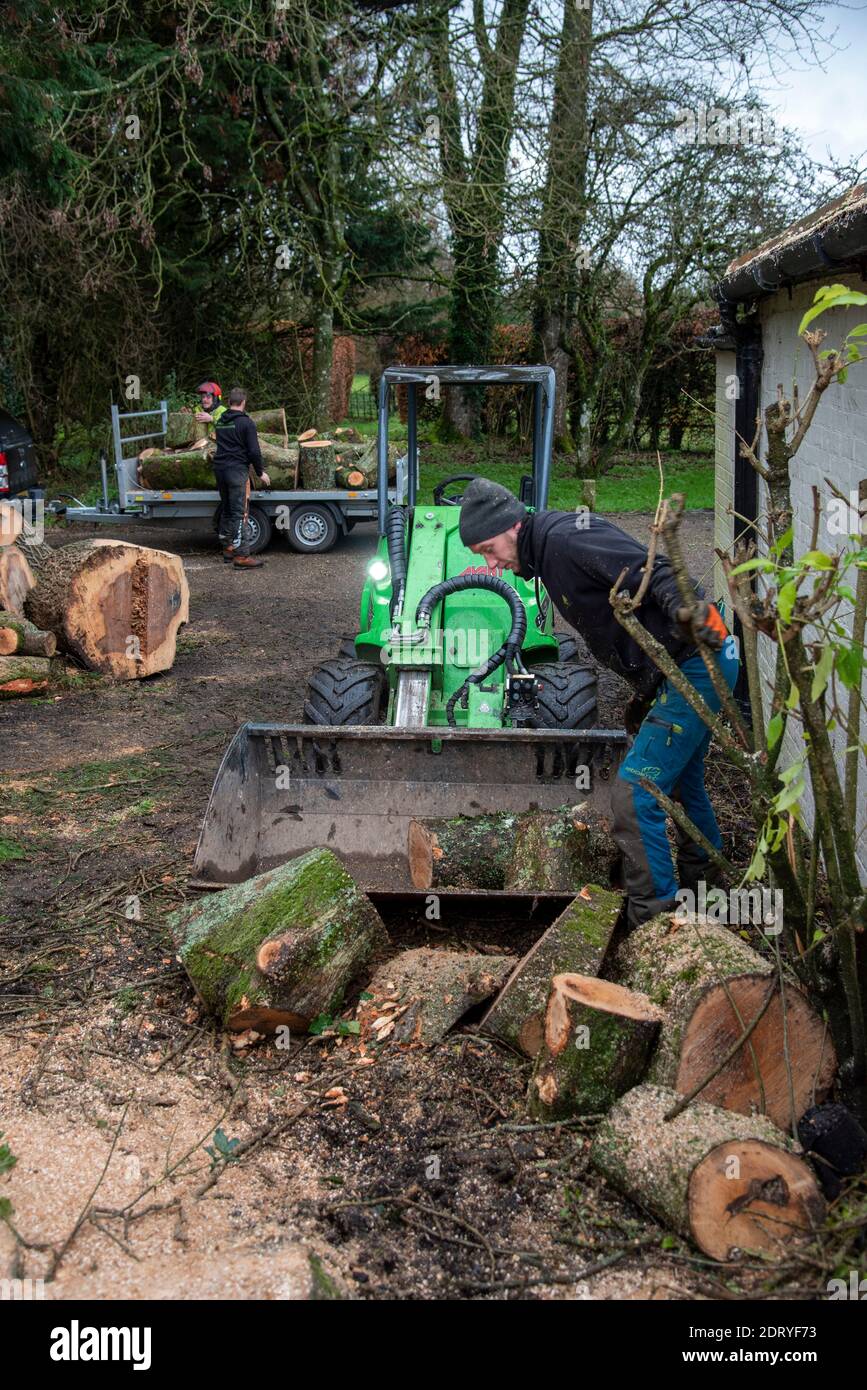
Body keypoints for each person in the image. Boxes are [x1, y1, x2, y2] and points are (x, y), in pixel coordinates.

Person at [458, 478, 739, 929]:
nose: (490, 564)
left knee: (634, 791)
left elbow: (651, 569)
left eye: (489, 549)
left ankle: (653, 920)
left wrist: (690, 610)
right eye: (481, 557)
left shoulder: (567, 537)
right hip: (676, 669)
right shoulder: (545, 552)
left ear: (513, 526)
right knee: (685, 783)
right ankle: (705, 892)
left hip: (698, 658)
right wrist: (646, 692)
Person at [212, 387, 271, 569]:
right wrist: (260, 472)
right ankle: (242, 556)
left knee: (227, 509)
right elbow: (254, 450)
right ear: (243, 403)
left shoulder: (221, 421)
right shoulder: (247, 423)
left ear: (229, 402)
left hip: (220, 469)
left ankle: (228, 548)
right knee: (240, 512)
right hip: (236, 471)